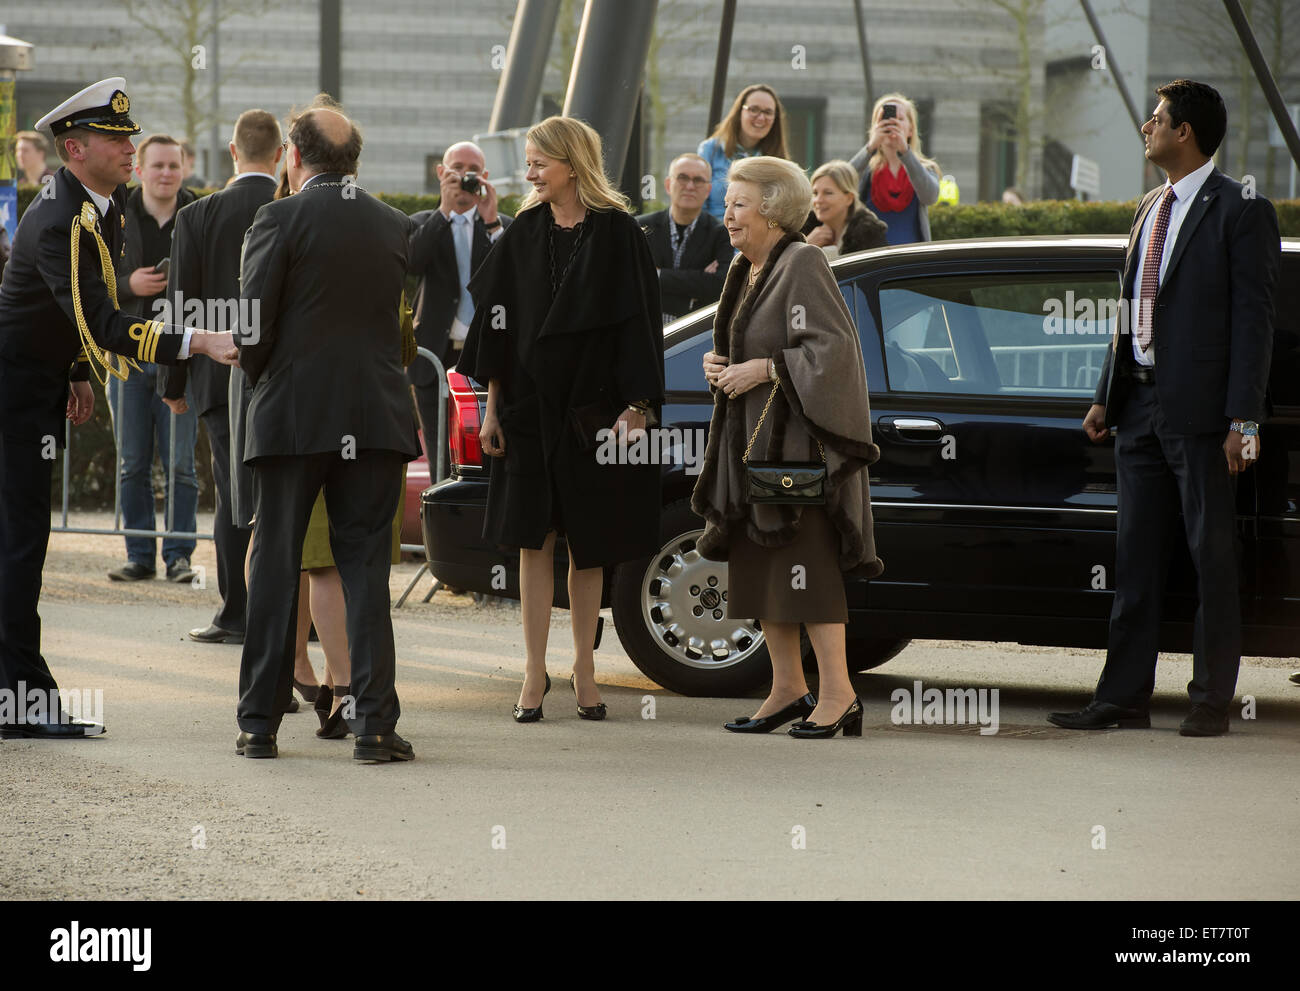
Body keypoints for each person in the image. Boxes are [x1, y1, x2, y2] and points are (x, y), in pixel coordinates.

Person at [0, 77, 237, 739]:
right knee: (19, 546)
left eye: (130, 136)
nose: (130, 148)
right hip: (14, 393)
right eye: (115, 138)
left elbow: (72, 309)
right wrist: (196, 341)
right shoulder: (62, 219)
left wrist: (77, 371)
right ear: (74, 149)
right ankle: (21, 703)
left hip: (37, 382)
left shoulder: (98, 204)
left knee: (20, 543)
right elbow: (103, 319)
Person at [1050, 79, 1280, 738]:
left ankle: (1211, 701)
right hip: (1139, 409)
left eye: (1156, 119)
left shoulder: (1241, 208)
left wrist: (1244, 421)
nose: (1146, 128)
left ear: (1185, 131)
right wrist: (1106, 394)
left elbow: (1254, 323)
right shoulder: (1151, 205)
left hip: (1205, 418)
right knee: (1136, 560)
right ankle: (1123, 697)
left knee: (1212, 558)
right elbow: (1129, 309)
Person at [459, 115, 664, 723]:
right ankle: (532, 671)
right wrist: (491, 410)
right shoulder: (522, 232)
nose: (529, 173)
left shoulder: (620, 233)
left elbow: (640, 326)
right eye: (528, 162)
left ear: (572, 164)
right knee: (532, 539)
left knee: (590, 545)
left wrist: (638, 405)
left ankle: (584, 669)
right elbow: (496, 331)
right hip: (527, 410)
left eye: (539, 162)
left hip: (592, 414)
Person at [234, 96, 419, 762]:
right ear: (354, 163)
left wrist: (264, 372)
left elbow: (252, 330)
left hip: (293, 416)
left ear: (292, 156)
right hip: (374, 417)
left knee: (276, 567)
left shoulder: (277, 217)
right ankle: (374, 725)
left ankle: (259, 724)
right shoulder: (393, 224)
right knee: (365, 572)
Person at [691, 156, 882, 739]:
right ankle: (787, 690)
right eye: (727, 204)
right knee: (761, 569)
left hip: (796, 452)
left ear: (773, 212)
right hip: (751, 447)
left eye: (740, 204)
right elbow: (750, 348)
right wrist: (721, 365)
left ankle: (840, 695)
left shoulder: (802, 261)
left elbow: (834, 351)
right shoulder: (745, 269)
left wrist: (766, 368)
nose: (727, 215)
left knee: (808, 569)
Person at [159, 110, 282, 643]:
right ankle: (296, 616)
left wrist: (173, 384)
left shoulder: (197, 215)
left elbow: (179, 301)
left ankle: (236, 614)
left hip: (216, 373)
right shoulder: (292, 208)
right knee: (288, 494)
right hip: (286, 376)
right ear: (280, 154)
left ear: (233, 151)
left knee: (233, 496)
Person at [105, 134, 200, 584]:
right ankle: (139, 555)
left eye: (173, 166)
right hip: (127, 357)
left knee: (182, 465)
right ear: (140, 169)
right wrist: (129, 286)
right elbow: (86, 280)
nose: (166, 173)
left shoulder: (198, 214)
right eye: (158, 165)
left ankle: (179, 557)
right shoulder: (114, 214)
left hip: (179, 359)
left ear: (184, 169)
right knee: (132, 463)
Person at [407, 140, 511, 459]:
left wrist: (492, 224)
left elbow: (512, 280)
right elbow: (412, 263)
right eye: (457, 169)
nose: (465, 177)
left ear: (485, 177)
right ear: (441, 173)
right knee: (440, 453)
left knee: (485, 450)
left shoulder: (501, 226)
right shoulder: (424, 222)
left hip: (484, 356)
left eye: (473, 171)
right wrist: (444, 212)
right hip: (436, 356)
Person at [636, 152, 732, 323]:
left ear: (708, 190)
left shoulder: (720, 233)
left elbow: (719, 286)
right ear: (668, 185)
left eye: (698, 180)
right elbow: (632, 281)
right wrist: (697, 284)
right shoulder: (640, 228)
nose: (690, 186)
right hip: (643, 327)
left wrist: (656, 274)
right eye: (682, 177)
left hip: (691, 335)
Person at [848, 93, 941, 245]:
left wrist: (905, 152)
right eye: (884, 119)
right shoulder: (867, 169)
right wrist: (870, 148)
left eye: (900, 119)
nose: (892, 123)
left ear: (911, 129)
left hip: (911, 254)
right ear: (874, 127)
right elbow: (842, 183)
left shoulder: (925, 168)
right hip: (872, 253)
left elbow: (930, 197)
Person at [698, 84, 789, 221]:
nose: (761, 117)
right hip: (715, 231)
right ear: (739, 112)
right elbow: (698, 206)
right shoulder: (710, 149)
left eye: (768, 112)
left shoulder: (779, 163)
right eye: (754, 109)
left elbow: (783, 215)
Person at [803, 159, 887, 260]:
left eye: (828, 193)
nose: (818, 200)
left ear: (849, 198)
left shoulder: (869, 234)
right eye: (815, 193)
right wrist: (808, 245)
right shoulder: (803, 230)